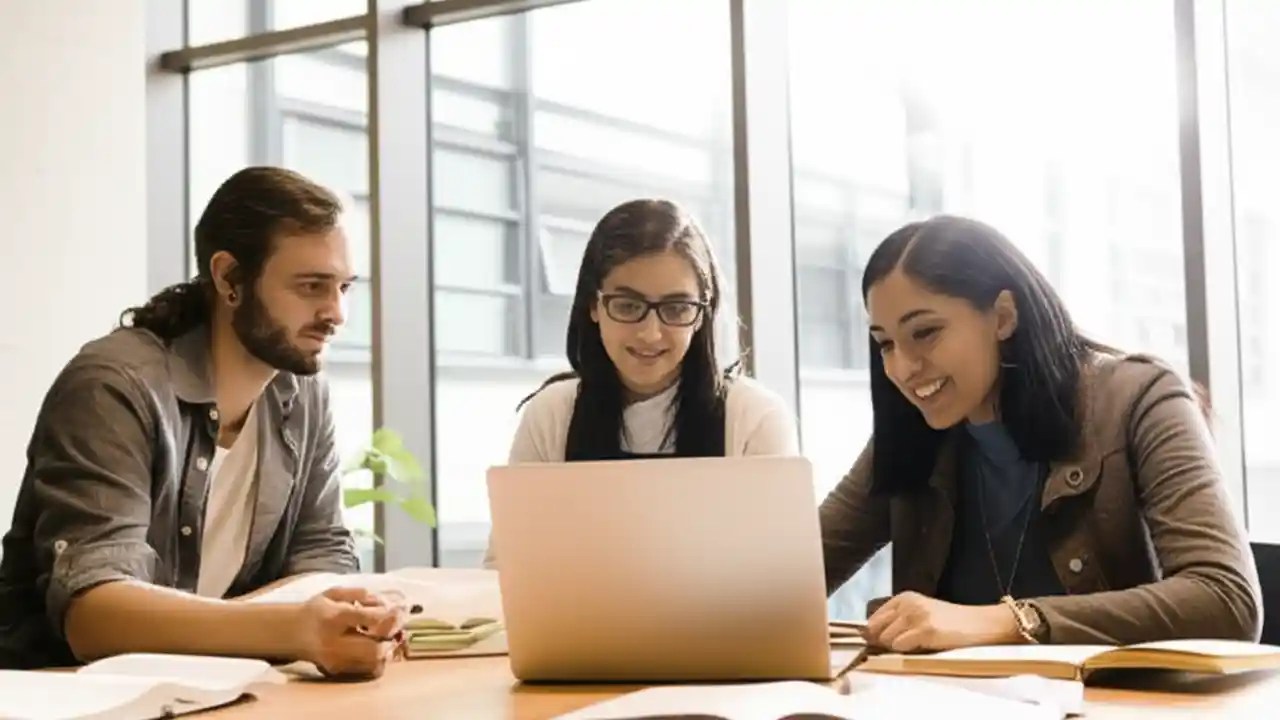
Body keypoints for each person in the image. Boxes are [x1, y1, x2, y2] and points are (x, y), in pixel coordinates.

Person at [0, 166, 406, 675]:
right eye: (311, 286)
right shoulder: (114, 386)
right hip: (71, 697)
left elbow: (319, 554)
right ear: (229, 278)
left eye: (345, 286)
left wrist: (347, 620)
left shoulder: (300, 391)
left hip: (220, 691)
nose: (338, 312)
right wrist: (294, 628)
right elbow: (93, 613)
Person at [820, 215, 1261, 651]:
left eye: (926, 332)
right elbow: (789, 581)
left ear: (1003, 317)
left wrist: (1009, 621)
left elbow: (1226, 598)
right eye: (886, 343)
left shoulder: (1137, 397)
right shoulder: (912, 434)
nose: (902, 368)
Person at [482, 199, 799, 568]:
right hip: (574, 627)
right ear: (594, 306)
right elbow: (505, 572)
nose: (651, 333)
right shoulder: (552, 414)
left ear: (702, 315)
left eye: (677, 308)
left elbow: (780, 579)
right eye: (629, 306)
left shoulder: (754, 418)